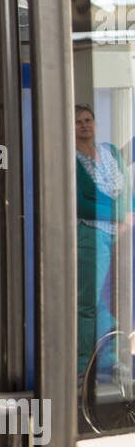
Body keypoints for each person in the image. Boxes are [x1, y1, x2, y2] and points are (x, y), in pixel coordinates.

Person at [75, 103, 134, 378]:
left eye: (88, 120)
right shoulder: (71, 158)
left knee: (113, 299)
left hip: (121, 235)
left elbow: (126, 190)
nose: (85, 125)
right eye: (78, 122)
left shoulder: (110, 151)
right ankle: (84, 364)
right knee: (87, 302)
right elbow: (80, 203)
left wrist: (124, 215)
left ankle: (111, 356)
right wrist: (119, 215)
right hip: (91, 235)